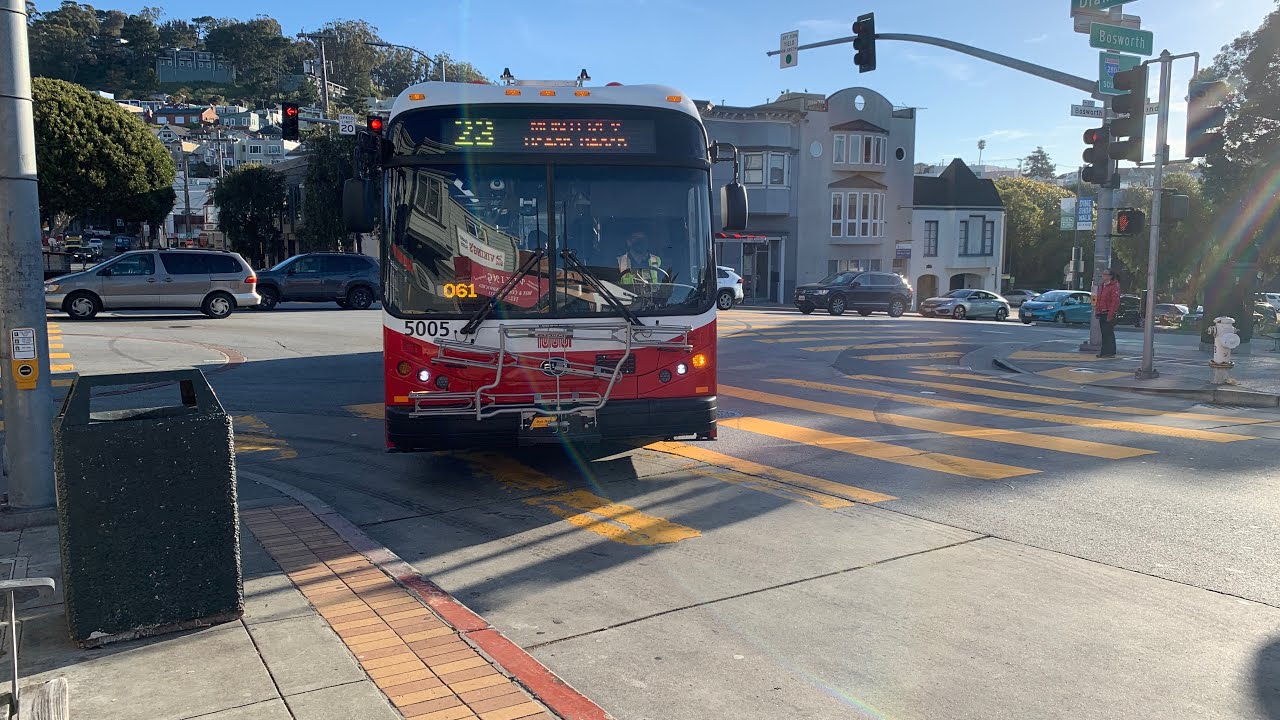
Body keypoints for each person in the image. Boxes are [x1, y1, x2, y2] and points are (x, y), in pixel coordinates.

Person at [1095, 268, 1121, 358]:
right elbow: (1099, 299)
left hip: (1108, 312)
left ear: (1110, 276)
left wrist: (1110, 314)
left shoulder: (1114, 286)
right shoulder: (1102, 286)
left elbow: (1115, 301)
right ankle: (1105, 352)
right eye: (1103, 274)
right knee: (1104, 333)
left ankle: (1109, 352)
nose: (1103, 276)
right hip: (1102, 312)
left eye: (1106, 274)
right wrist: (1097, 310)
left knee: (1108, 333)